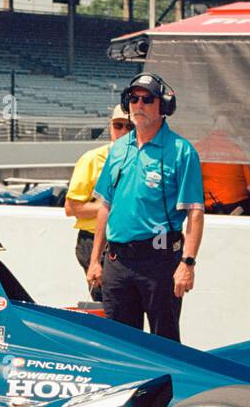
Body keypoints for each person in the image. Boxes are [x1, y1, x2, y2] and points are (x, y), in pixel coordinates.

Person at [87, 72, 204, 342]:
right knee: (119, 345)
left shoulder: (182, 151)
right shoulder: (117, 150)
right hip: (117, 262)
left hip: (160, 263)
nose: (138, 105)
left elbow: (195, 213)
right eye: (133, 98)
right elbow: (105, 207)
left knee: (164, 344)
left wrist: (187, 263)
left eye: (147, 99)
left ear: (163, 106)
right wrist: (95, 260)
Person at [65, 105, 132, 300]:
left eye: (130, 127)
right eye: (118, 125)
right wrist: (112, 208)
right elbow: (71, 208)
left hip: (126, 242)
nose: (123, 131)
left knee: (124, 304)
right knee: (109, 301)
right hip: (94, 239)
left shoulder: (140, 159)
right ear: (110, 127)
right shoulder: (92, 159)